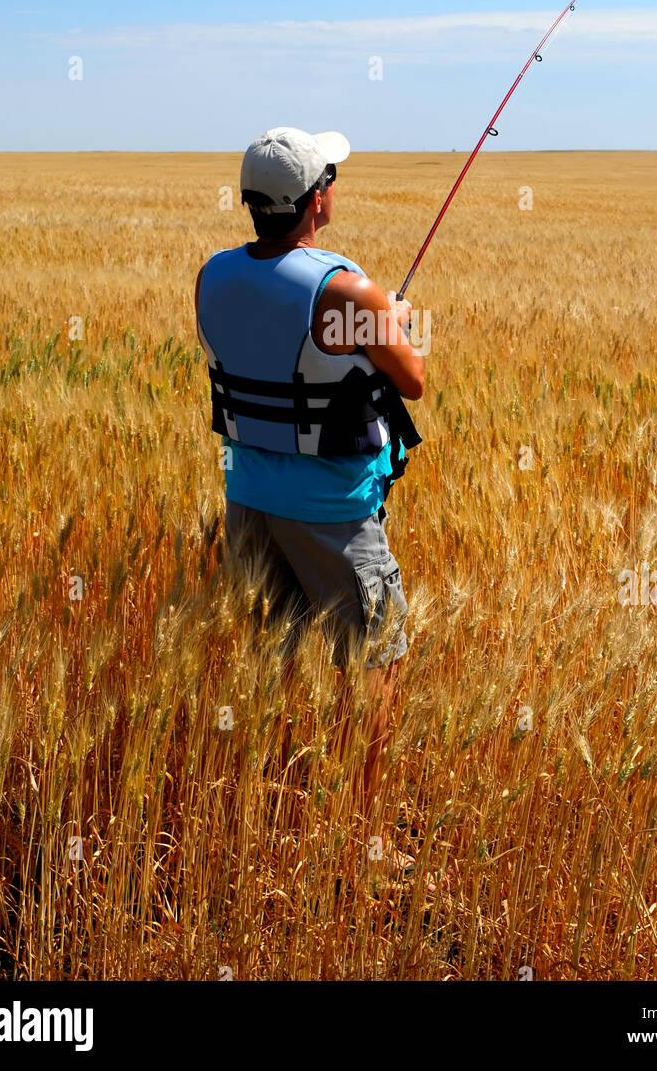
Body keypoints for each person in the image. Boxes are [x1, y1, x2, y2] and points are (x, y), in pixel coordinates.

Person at [195, 126, 425, 872]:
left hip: (247, 500)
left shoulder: (213, 275)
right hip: (331, 512)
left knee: (274, 657)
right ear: (316, 201)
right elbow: (412, 377)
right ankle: (365, 833)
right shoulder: (343, 289)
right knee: (376, 661)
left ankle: (267, 805)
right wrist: (391, 316)